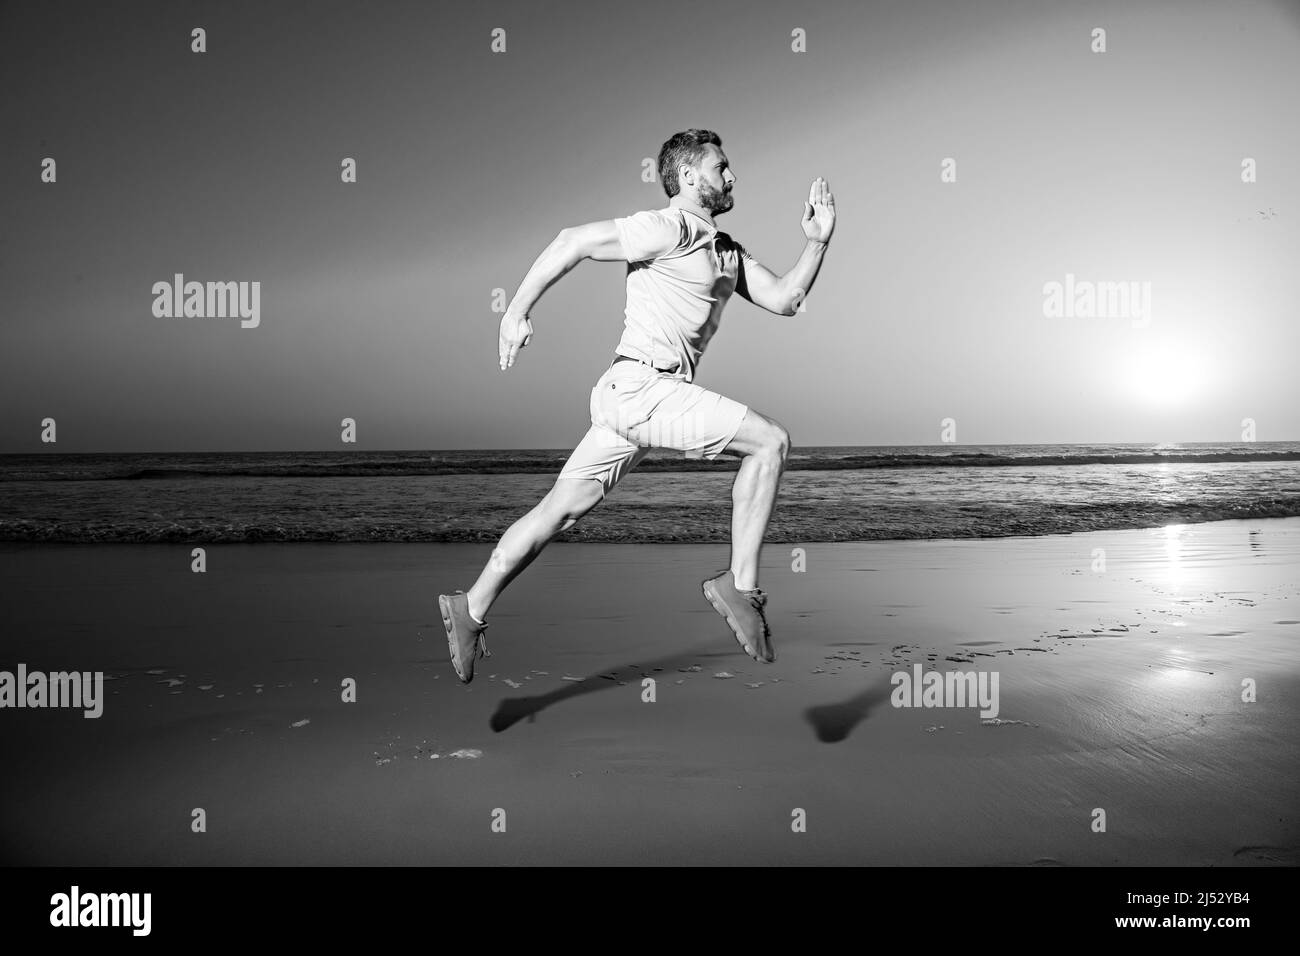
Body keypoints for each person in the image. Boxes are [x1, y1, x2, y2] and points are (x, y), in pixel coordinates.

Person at [438, 129, 835, 682]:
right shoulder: (668, 226)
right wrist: (516, 311)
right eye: (722, 166)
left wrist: (816, 242)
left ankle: (470, 607)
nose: (732, 175)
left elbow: (786, 299)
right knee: (771, 442)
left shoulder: (725, 250)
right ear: (690, 177)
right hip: (643, 388)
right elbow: (572, 240)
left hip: (638, 402)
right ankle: (738, 587)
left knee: (560, 511)